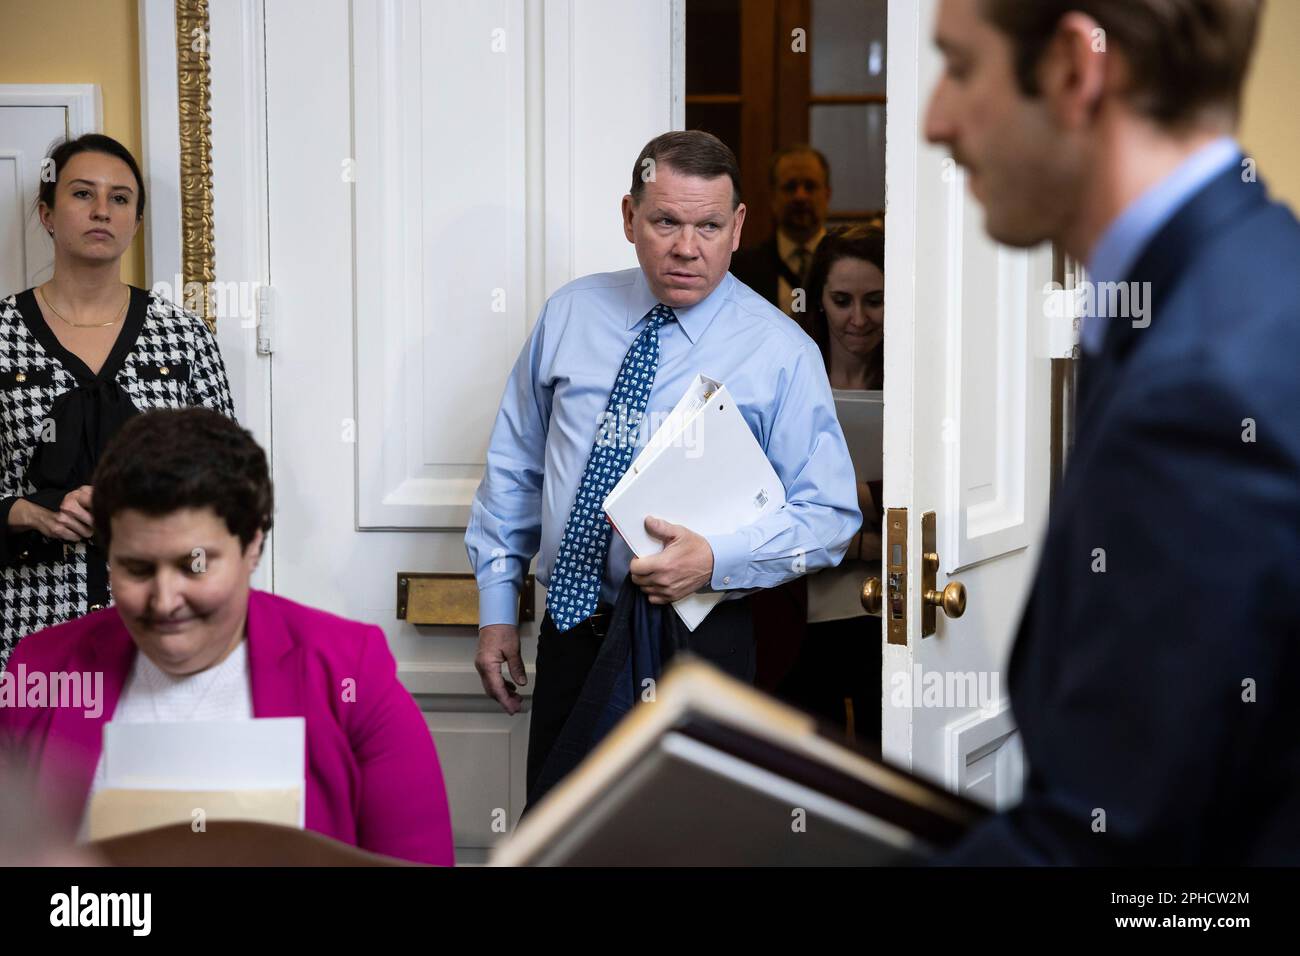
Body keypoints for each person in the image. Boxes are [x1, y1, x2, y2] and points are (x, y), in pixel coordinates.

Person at [925, 0, 1298, 862]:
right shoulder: (1247, 277)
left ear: (1072, 68)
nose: (934, 119)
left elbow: (1110, 849)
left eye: (959, 65)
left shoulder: (1202, 392)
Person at [466, 130, 860, 806]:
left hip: (700, 638)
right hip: (571, 633)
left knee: (687, 843)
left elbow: (830, 516)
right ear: (629, 217)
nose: (687, 247)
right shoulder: (569, 315)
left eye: (709, 225)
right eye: (666, 222)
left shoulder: (781, 352)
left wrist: (716, 558)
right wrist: (497, 608)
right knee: (563, 837)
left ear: (737, 227)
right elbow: (516, 468)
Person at [0, 408, 454, 865]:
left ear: (252, 544)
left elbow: (418, 861)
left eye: (194, 565)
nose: (164, 600)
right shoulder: (42, 668)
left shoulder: (349, 672)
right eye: (136, 568)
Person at [0, 134, 235, 668]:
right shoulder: (1, 336)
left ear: (136, 222)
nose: (102, 210)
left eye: (121, 198)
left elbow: (228, 487)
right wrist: (31, 513)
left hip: (161, 622)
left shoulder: (184, 338)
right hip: (27, 628)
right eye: (83, 194)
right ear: (47, 213)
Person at [771, 225, 886, 743]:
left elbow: (935, 503)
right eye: (842, 301)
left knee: (888, 760)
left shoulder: (920, 382)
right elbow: (771, 501)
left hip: (886, 612)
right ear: (817, 300)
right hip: (799, 614)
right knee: (810, 768)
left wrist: (832, 504)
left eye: (875, 301)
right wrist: (867, 525)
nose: (858, 320)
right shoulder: (789, 377)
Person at [729, 145, 832, 318]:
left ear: (827, 194)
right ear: (773, 196)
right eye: (790, 187)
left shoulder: (844, 265)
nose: (800, 196)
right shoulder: (740, 270)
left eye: (810, 186)